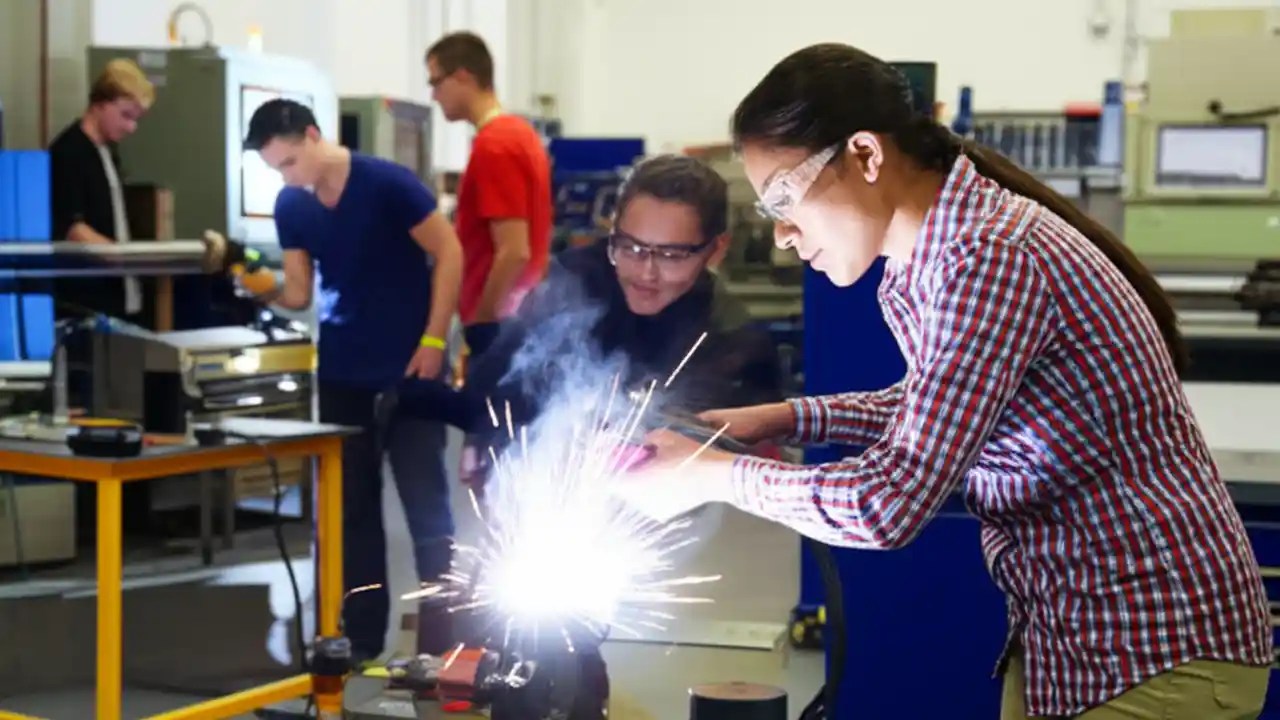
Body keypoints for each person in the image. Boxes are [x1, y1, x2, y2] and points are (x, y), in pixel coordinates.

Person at [615, 44, 1273, 720]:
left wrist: (708, 476)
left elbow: (887, 504)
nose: (782, 233)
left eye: (785, 197)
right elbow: (948, 405)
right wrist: (780, 418)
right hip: (1070, 644)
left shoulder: (988, 258)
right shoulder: (919, 265)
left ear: (867, 156)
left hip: (1158, 646)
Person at [380, 154, 783, 720]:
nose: (645, 270)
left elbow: (717, 445)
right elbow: (506, 367)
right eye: (632, 246)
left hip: (629, 506)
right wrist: (482, 434)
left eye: (671, 255)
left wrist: (637, 455)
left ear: (714, 250)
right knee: (496, 621)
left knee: (570, 636)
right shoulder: (578, 278)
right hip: (533, 480)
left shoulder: (728, 337)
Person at [243, 98, 464, 663]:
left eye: (290, 161)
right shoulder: (293, 205)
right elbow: (297, 293)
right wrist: (249, 276)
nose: (287, 177)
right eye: (276, 169)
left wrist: (435, 340)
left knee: (427, 510)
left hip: (410, 372)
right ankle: (363, 641)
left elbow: (450, 250)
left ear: (314, 136)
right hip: (342, 376)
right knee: (353, 515)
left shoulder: (389, 185)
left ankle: (448, 644)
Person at [425, 31, 553, 359]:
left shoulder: (495, 144)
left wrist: (482, 319)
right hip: (517, 315)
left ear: (464, 77)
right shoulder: (520, 134)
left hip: (499, 322)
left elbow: (514, 251)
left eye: (436, 83)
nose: (435, 96)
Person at [49, 58, 155, 322]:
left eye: (136, 118)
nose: (131, 127)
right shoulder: (68, 151)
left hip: (114, 297)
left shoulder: (108, 152)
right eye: (125, 115)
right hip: (85, 302)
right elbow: (72, 228)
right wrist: (128, 258)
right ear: (100, 103)